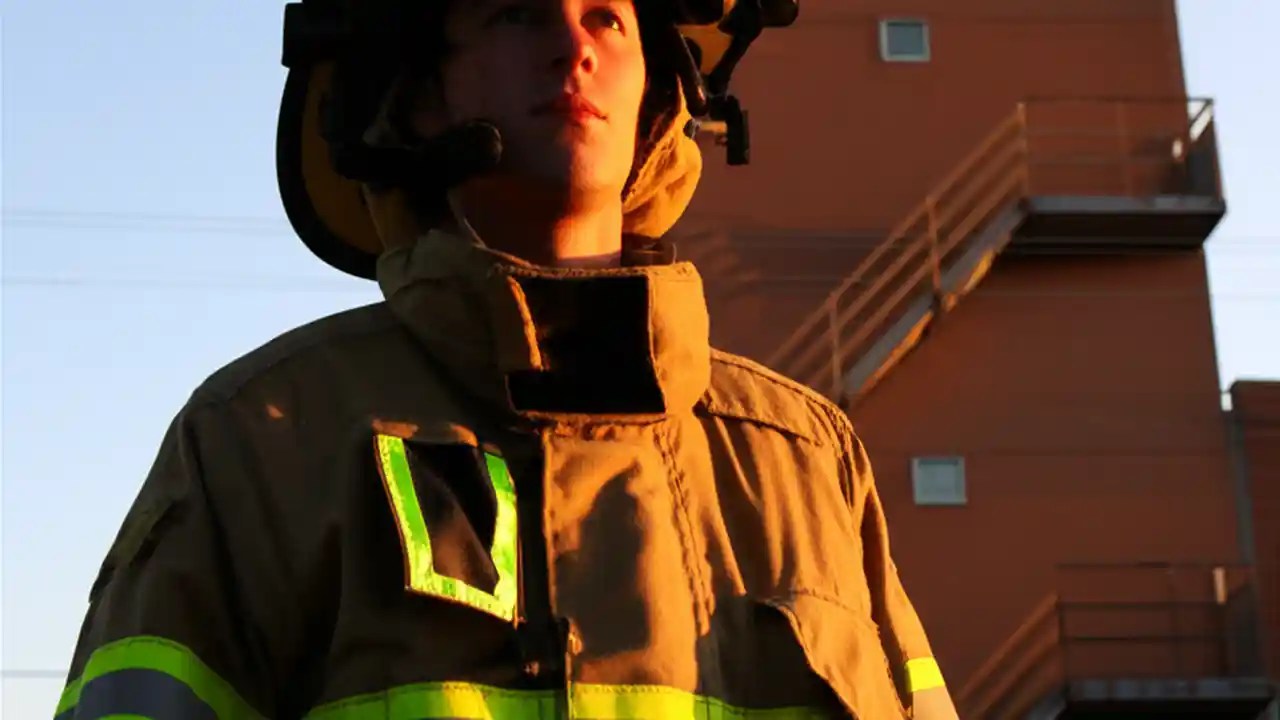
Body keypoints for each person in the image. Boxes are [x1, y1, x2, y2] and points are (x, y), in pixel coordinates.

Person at [55, 0, 960, 718]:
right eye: (518, 13)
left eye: (608, 15)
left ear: (658, 94)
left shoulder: (804, 464)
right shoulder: (265, 438)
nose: (576, 49)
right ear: (416, 95)